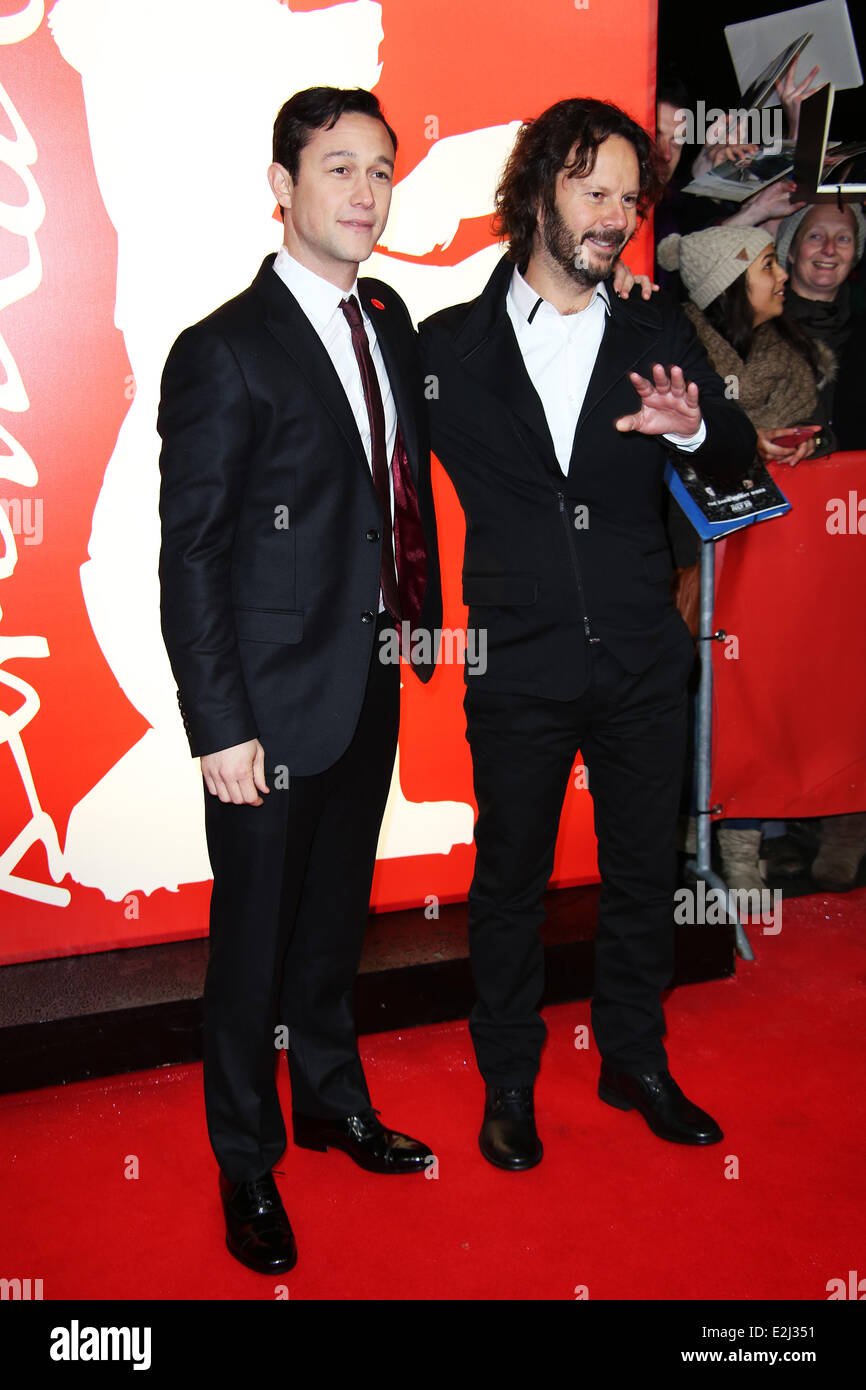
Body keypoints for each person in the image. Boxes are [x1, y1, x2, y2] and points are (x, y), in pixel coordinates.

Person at [419, 97, 756, 1170]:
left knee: (635, 876)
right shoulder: (447, 350)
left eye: (626, 196)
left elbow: (739, 475)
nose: (612, 215)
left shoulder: (658, 334)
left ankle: (633, 1058)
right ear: (533, 193)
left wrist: (695, 427)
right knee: (509, 879)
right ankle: (507, 1082)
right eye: (589, 188)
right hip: (515, 662)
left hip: (641, 661)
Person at [157, 86, 442, 1274]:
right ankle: (245, 1159)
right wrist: (219, 722)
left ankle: (330, 1101)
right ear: (281, 187)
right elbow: (194, 553)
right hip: (264, 709)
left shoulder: (390, 312)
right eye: (338, 170)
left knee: (334, 924)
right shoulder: (222, 347)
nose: (366, 192)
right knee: (252, 942)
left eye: (379, 170)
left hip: (366, 679)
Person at [658, 223, 835, 890]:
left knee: (762, 701)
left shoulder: (798, 356)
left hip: (778, 561)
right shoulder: (674, 360)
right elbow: (659, 455)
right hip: (695, 562)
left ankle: (744, 845)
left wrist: (806, 451)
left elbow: (831, 440)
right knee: (703, 705)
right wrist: (736, 441)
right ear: (729, 283)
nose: (782, 274)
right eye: (766, 264)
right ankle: (693, 838)